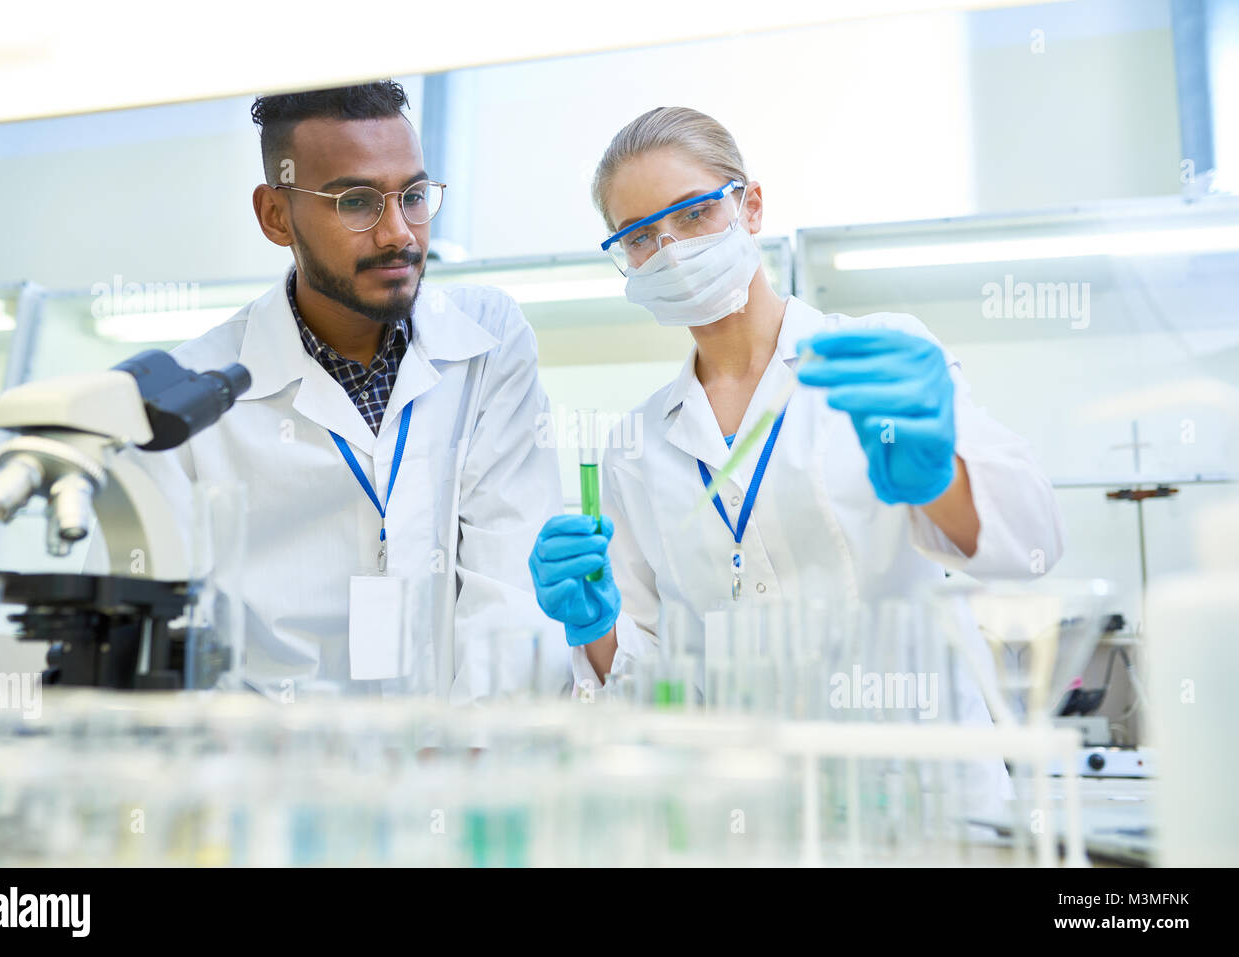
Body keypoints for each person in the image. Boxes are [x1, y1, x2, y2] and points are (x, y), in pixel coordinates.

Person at [527, 107, 1066, 808]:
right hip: (748, 817)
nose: (670, 252)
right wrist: (597, 632)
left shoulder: (880, 357)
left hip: (925, 805)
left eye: (690, 216)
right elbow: (649, 695)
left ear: (750, 206)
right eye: (639, 239)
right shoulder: (638, 448)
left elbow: (1034, 544)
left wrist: (941, 482)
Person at [88, 81, 565, 701]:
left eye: (414, 196)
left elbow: (511, 587)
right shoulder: (185, 400)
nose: (399, 233)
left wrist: (468, 761)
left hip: (458, 766)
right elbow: (151, 643)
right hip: (270, 776)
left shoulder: (486, 341)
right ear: (275, 216)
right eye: (357, 203)